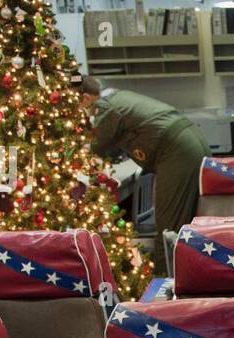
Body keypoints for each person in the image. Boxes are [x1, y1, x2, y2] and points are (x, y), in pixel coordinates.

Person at [78, 76, 210, 238]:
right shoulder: (117, 98)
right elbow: (113, 148)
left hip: (177, 152)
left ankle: (167, 263)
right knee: (188, 222)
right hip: (189, 144)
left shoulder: (105, 107)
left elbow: (97, 145)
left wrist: (78, 146)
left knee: (169, 229)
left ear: (86, 99)